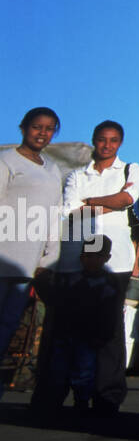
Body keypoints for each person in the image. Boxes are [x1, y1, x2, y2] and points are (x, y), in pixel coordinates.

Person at [59, 120, 139, 412]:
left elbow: (128, 198)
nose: (107, 145)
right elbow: (70, 209)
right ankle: (77, 392)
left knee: (110, 332)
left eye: (113, 140)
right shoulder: (76, 175)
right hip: (78, 260)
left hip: (115, 261)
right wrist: (112, 204)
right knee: (76, 329)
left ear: (120, 143)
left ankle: (108, 395)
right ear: (94, 141)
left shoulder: (130, 169)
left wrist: (91, 202)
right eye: (102, 140)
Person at [1, 108, 64, 388]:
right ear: (23, 127)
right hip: (3, 256)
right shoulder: (6, 161)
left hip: (27, 265)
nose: (42, 133)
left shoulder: (53, 170)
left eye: (49, 128)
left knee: (7, 327)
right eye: (37, 126)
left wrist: (49, 257)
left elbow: (54, 215)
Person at [31, 237, 122, 416]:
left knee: (84, 372)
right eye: (88, 256)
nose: (92, 261)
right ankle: (54, 402)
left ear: (106, 258)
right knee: (59, 370)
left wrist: (102, 336)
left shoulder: (108, 284)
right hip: (66, 335)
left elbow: (109, 315)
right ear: (81, 257)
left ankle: (81, 402)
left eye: (97, 257)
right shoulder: (70, 280)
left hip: (88, 338)